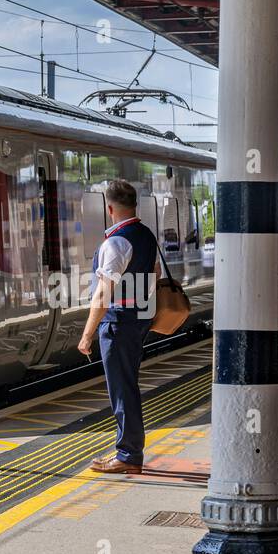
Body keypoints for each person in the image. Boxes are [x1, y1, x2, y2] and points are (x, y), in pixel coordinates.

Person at [78, 179, 160, 475]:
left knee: (122, 389)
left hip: (117, 323)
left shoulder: (115, 242)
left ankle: (128, 454)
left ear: (109, 208)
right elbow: (155, 274)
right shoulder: (146, 236)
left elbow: (102, 293)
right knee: (127, 385)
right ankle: (127, 450)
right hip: (137, 319)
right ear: (134, 204)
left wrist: (87, 335)